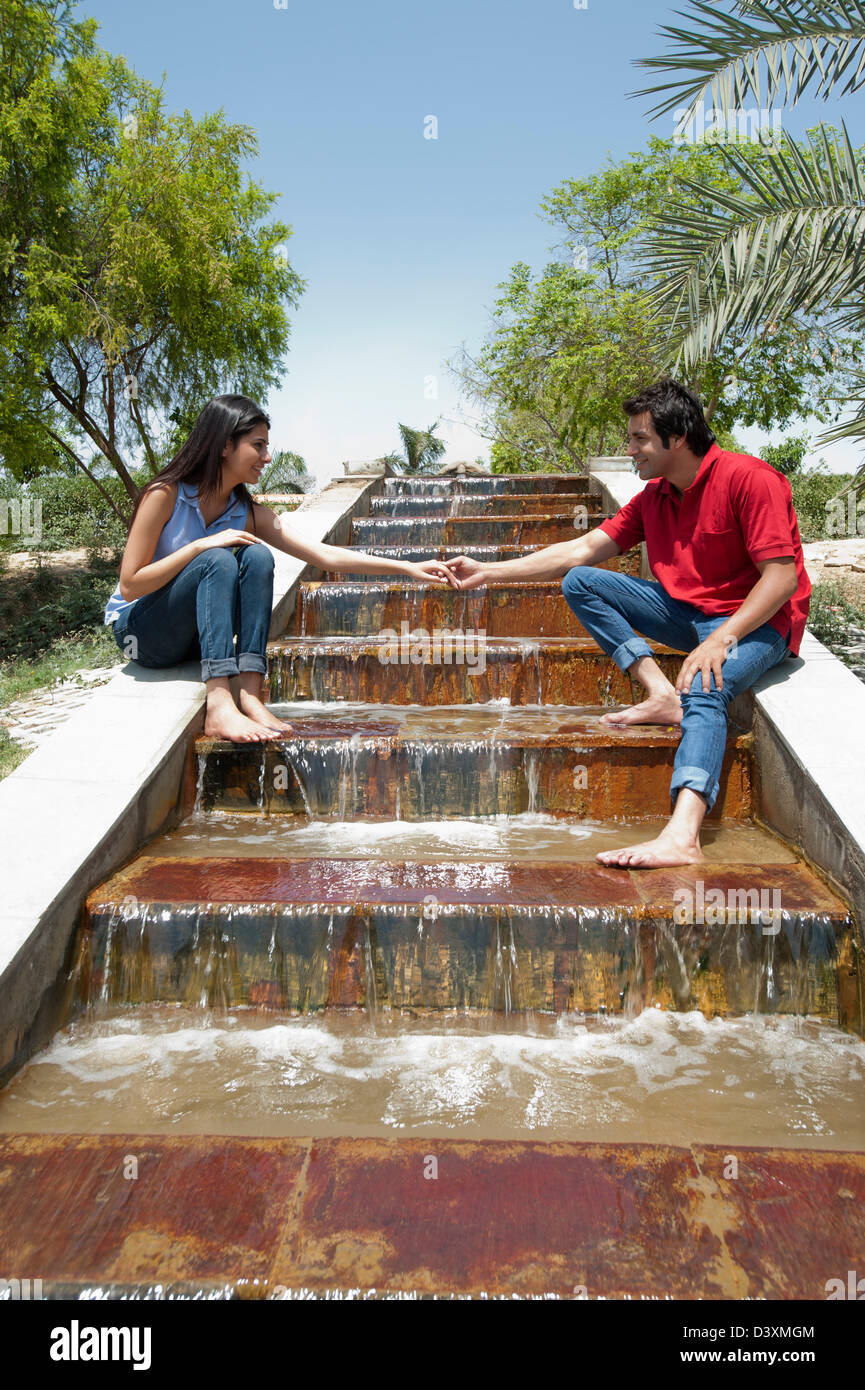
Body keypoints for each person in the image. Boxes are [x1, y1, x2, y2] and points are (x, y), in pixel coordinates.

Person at [443, 380, 810, 868]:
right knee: (582, 581)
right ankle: (660, 693)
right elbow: (578, 551)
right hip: (689, 614)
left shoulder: (750, 479)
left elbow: (781, 579)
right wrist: (490, 571)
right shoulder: (655, 496)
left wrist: (724, 637)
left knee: (704, 685)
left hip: (757, 623)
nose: (630, 449)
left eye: (639, 439)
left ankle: (683, 836)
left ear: (675, 438)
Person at [104, 394, 456, 742]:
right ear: (225, 445)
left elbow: (325, 556)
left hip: (196, 637)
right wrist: (200, 545)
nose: (266, 457)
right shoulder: (165, 495)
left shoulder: (246, 511)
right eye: (258, 445)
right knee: (216, 558)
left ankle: (251, 696)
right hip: (145, 632)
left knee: (257, 556)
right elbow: (130, 585)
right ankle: (219, 705)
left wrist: (408, 568)